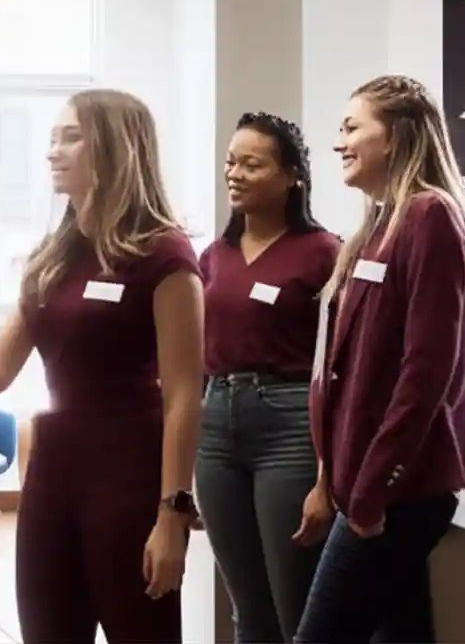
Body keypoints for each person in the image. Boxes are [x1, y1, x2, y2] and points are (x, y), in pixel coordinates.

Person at [0, 89, 204, 643]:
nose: (53, 150)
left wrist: (173, 512)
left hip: (129, 471)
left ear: (116, 146)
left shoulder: (163, 255)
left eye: (70, 136)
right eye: (52, 137)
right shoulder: (53, 257)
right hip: (56, 468)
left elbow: (184, 393)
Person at [293, 74, 465, 644]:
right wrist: (331, 479)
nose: (339, 142)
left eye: (352, 127)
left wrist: (374, 486)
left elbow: (426, 371)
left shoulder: (430, 218)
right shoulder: (377, 227)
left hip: (398, 492)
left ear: (397, 135)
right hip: (363, 483)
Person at [194, 112, 339, 643]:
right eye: (231, 162)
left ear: (293, 176)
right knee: (245, 605)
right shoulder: (214, 256)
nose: (234, 173)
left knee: (294, 603)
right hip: (217, 428)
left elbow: (342, 363)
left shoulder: (324, 254)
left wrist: (328, 477)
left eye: (252, 164)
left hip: (289, 426)